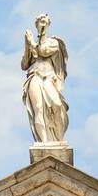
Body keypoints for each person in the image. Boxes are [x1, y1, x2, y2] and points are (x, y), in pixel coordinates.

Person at [21, 14, 69, 144]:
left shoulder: (53, 42)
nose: (42, 24)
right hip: (35, 76)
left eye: (44, 22)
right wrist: (27, 46)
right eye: (40, 22)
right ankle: (43, 141)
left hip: (49, 78)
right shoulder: (32, 45)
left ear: (48, 25)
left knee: (57, 105)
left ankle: (57, 139)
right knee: (38, 108)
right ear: (36, 25)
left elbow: (43, 51)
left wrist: (32, 42)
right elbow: (24, 65)